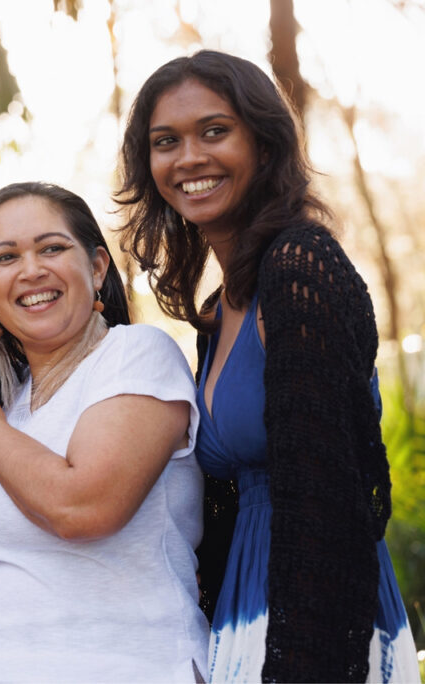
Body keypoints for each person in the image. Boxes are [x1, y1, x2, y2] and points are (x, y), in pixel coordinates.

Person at [116, 49, 420, 682]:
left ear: (264, 141)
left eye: (215, 131)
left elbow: (330, 496)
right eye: (166, 141)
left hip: (315, 616)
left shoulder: (301, 267)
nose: (189, 157)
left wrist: (304, 658)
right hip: (243, 609)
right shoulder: (217, 310)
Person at [0, 182, 209, 682]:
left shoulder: (137, 356)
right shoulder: (9, 398)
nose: (31, 269)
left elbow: (84, 508)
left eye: (52, 248)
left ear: (98, 267)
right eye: (5, 257)